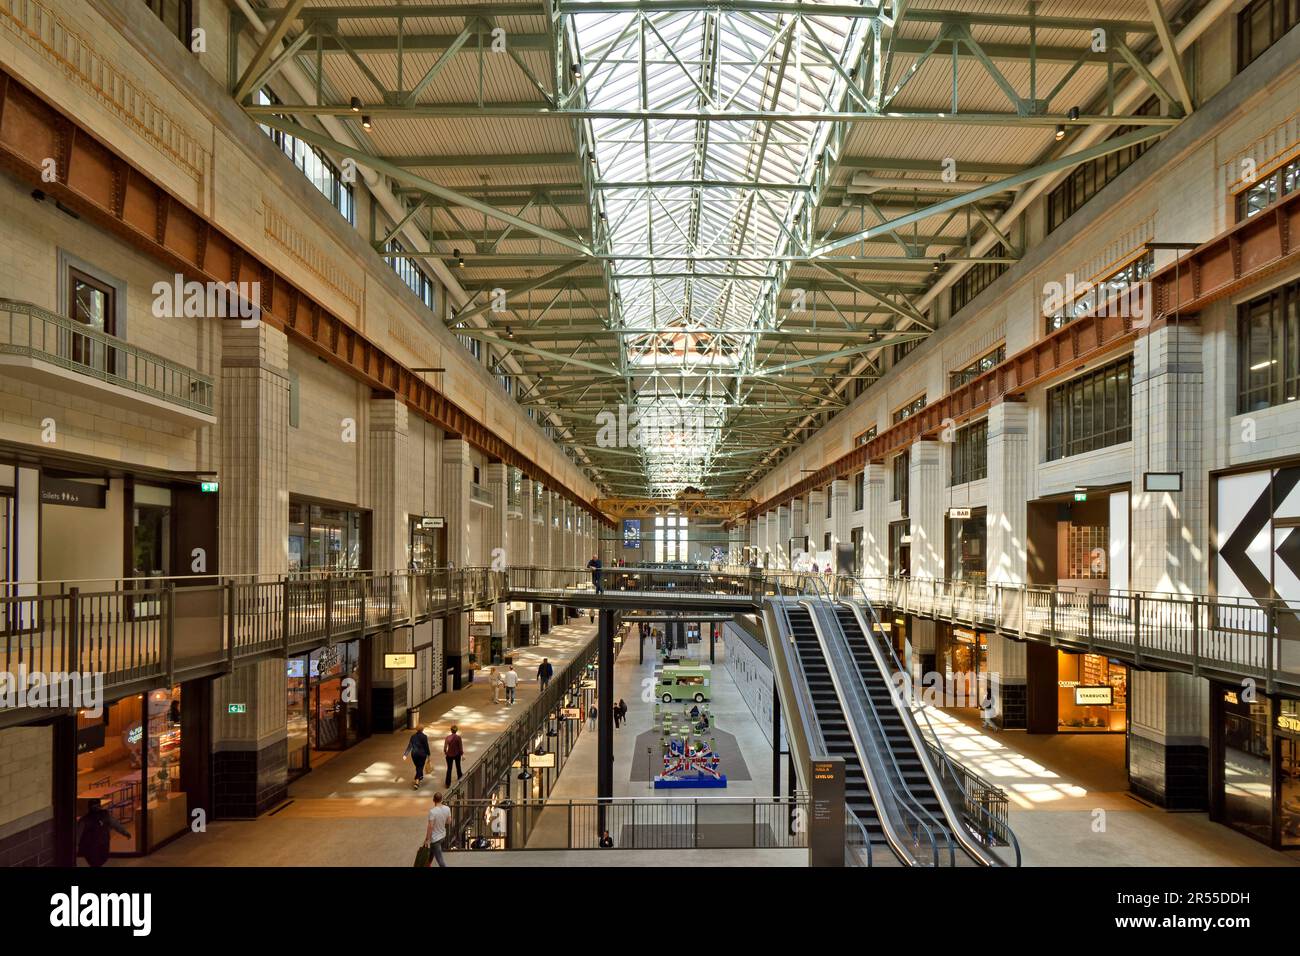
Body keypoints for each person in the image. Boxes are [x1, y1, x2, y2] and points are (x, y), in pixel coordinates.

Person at [77, 801, 130, 866]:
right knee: (97, 861)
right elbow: (115, 824)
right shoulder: (103, 815)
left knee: (97, 861)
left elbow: (78, 833)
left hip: (97, 844)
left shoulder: (85, 819)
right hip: (98, 844)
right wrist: (125, 832)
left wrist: (125, 832)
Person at [423, 791, 452, 867]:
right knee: (431, 852)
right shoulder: (447, 809)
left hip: (435, 839)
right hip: (443, 836)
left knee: (441, 862)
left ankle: (427, 864)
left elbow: (430, 827)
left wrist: (427, 839)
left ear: (433, 800)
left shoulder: (432, 812)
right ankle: (427, 864)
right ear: (442, 799)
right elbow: (449, 822)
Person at [403, 724, 431, 790]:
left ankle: (420, 776)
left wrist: (405, 754)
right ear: (422, 729)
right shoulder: (424, 737)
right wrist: (428, 755)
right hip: (422, 754)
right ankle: (417, 782)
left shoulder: (413, 736)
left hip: (414, 755)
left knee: (418, 766)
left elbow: (410, 746)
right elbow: (426, 747)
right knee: (420, 767)